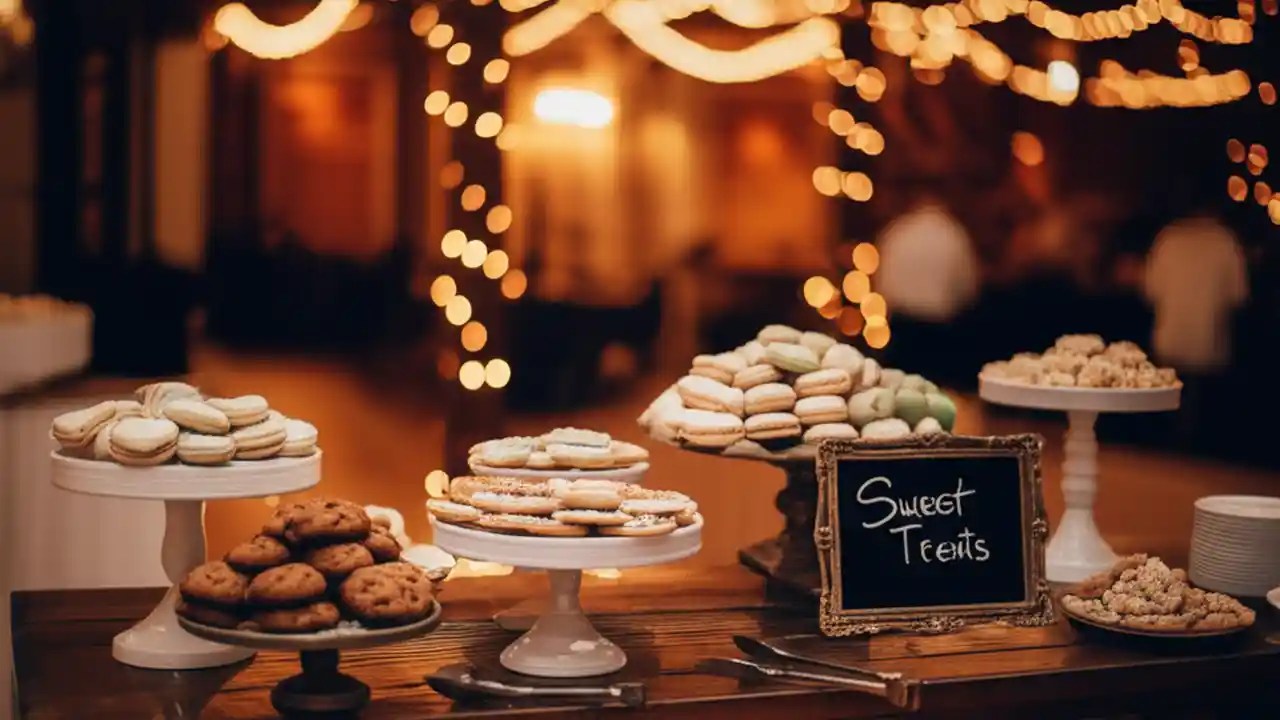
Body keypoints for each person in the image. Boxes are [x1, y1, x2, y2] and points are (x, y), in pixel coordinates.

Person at [875, 184, 979, 382]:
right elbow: (968, 290)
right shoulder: (955, 235)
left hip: (902, 332)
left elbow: (883, 287)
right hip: (940, 335)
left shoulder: (896, 232)